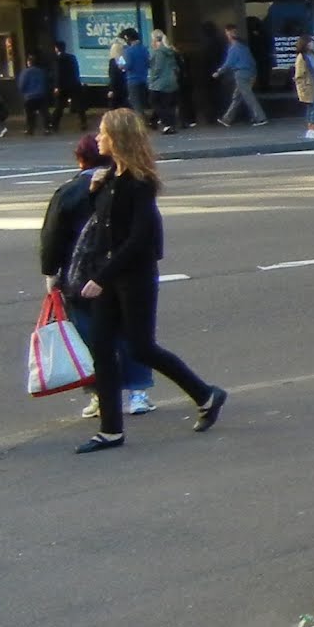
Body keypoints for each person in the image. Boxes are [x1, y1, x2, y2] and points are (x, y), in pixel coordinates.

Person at [73, 109, 227, 453]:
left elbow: (141, 239)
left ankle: (205, 394)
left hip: (133, 277)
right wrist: (94, 191)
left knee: (142, 347)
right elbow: (102, 225)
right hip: (108, 277)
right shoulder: (110, 177)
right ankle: (111, 430)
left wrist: (103, 277)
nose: (97, 138)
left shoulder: (140, 183)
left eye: (102, 133)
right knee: (101, 349)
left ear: (118, 138)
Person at [38, 132, 158, 418]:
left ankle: (99, 396)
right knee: (131, 333)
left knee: (93, 337)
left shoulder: (68, 192)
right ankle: (138, 391)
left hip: (80, 275)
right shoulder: (123, 184)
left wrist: (50, 271)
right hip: (120, 271)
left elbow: (52, 236)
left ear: (80, 159)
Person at [213, 23, 268, 127]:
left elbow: (228, 63)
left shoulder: (234, 48)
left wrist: (218, 72)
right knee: (238, 97)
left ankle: (261, 118)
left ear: (228, 34)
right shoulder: (243, 47)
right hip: (250, 73)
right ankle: (227, 118)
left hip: (241, 74)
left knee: (248, 96)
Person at [147, 29, 181, 134]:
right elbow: (175, 67)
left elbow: (158, 68)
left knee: (155, 103)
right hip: (171, 82)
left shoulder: (158, 52)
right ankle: (170, 124)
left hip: (159, 83)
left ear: (155, 40)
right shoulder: (170, 51)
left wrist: (151, 79)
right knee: (168, 105)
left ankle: (167, 124)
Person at [48, 40, 86, 133]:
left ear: (56, 48)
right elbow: (76, 70)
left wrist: (56, 86)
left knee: (59, 106)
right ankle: (83, 122)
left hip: (62, 86)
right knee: (79, 105)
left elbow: (57, 74)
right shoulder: (72, 57)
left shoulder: (57, 59)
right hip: (74, 84)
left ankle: (54, 124)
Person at [293, 32, 314, 140]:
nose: (312, 44)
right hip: (307, 86)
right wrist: (302, 87)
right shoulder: (301, 57)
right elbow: (299, 75)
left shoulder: (313, 54)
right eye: (310, 42)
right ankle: (312, 129)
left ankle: (312, 129)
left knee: (311, 107)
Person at [16, 51, 52, 135]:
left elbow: (22, 84)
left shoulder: (25, 72)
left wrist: (22, 92)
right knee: (44, 112)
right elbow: (46, 82)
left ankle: (30, 129)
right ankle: (46, 128)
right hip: (41, 95)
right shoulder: (41, 71)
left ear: (28, 63)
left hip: (29, 97)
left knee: (30, 114)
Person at [120, 28, 151, 115]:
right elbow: (148, 64)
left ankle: (140, 125)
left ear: (127, 38)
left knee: (136, 105)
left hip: (133, 81)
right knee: (142, 104)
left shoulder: (127, 51)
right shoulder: (144, 49)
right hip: (143, 80)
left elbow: (125, 66)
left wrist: (119, 59)